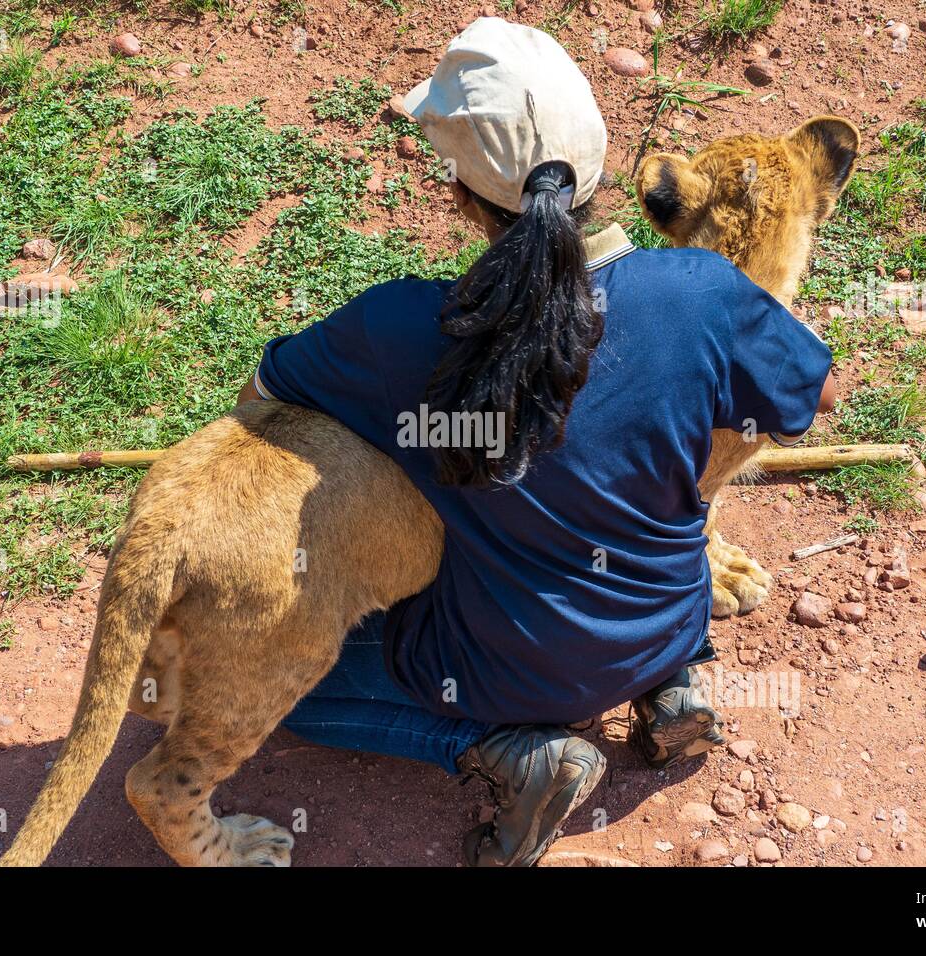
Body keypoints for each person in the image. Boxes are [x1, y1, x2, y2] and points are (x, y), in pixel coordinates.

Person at [237, 18, 835, 866]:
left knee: (290, 686)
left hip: (508, 670)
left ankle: (508, 753)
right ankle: (671, 690)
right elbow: (811, 393)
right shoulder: (703, 290)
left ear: (457, 191)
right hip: (670, 620)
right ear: (598, 168)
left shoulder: (399, 328)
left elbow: (258, 402)